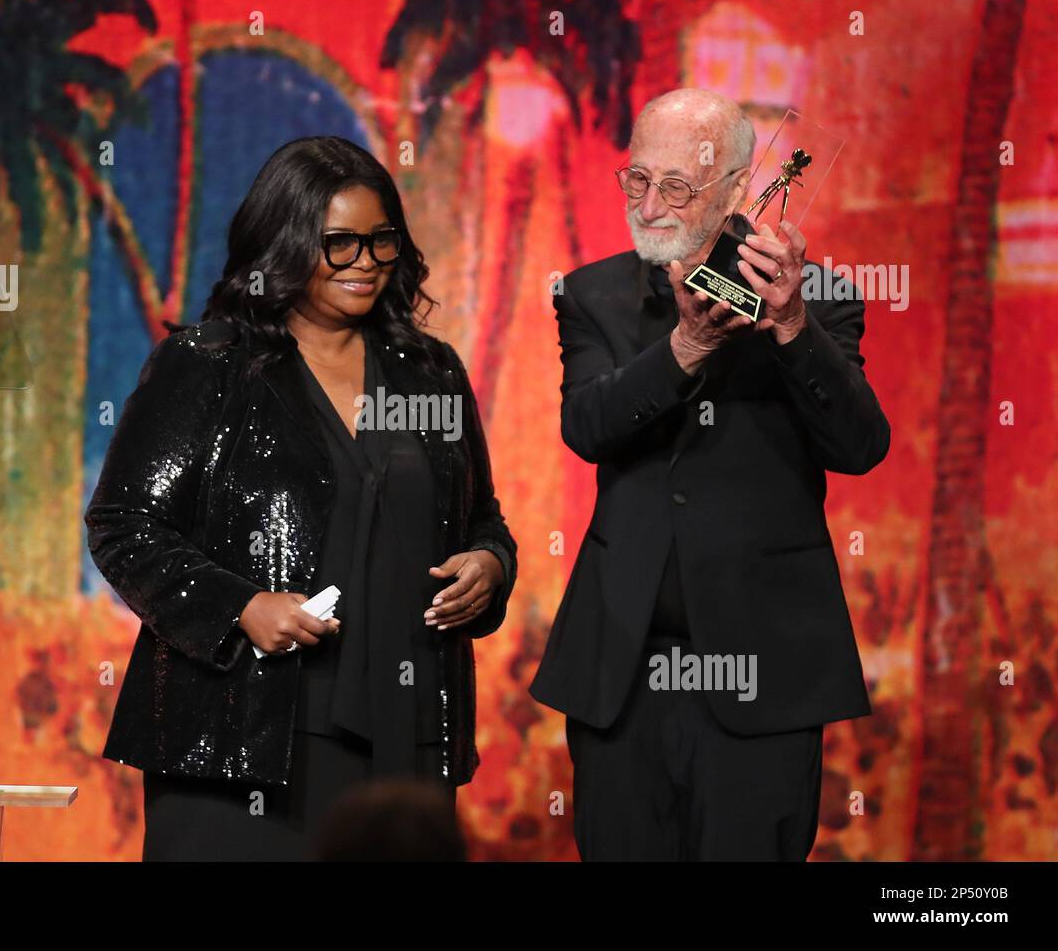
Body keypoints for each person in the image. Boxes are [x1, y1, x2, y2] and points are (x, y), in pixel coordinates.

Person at [85, 135, 517, 860]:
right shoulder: (209, 364)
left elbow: (481, 518)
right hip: (242, 736)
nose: (367, 264)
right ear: (282, 243)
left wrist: (490, 564)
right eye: (339, 244)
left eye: (382, 242)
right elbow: (125, 524)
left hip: (403, 732)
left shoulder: (430, 372)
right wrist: (241, 608)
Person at [530, 88, 890, 860]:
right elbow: (587, 426)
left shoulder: (818, 300)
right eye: (637, 181)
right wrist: (686, 347)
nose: (651, 204)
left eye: (677, 187)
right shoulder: (592, 294)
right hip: (623, 671)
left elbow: (860, 446)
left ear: (735, 192)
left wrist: (792, 327)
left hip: (766, 674)